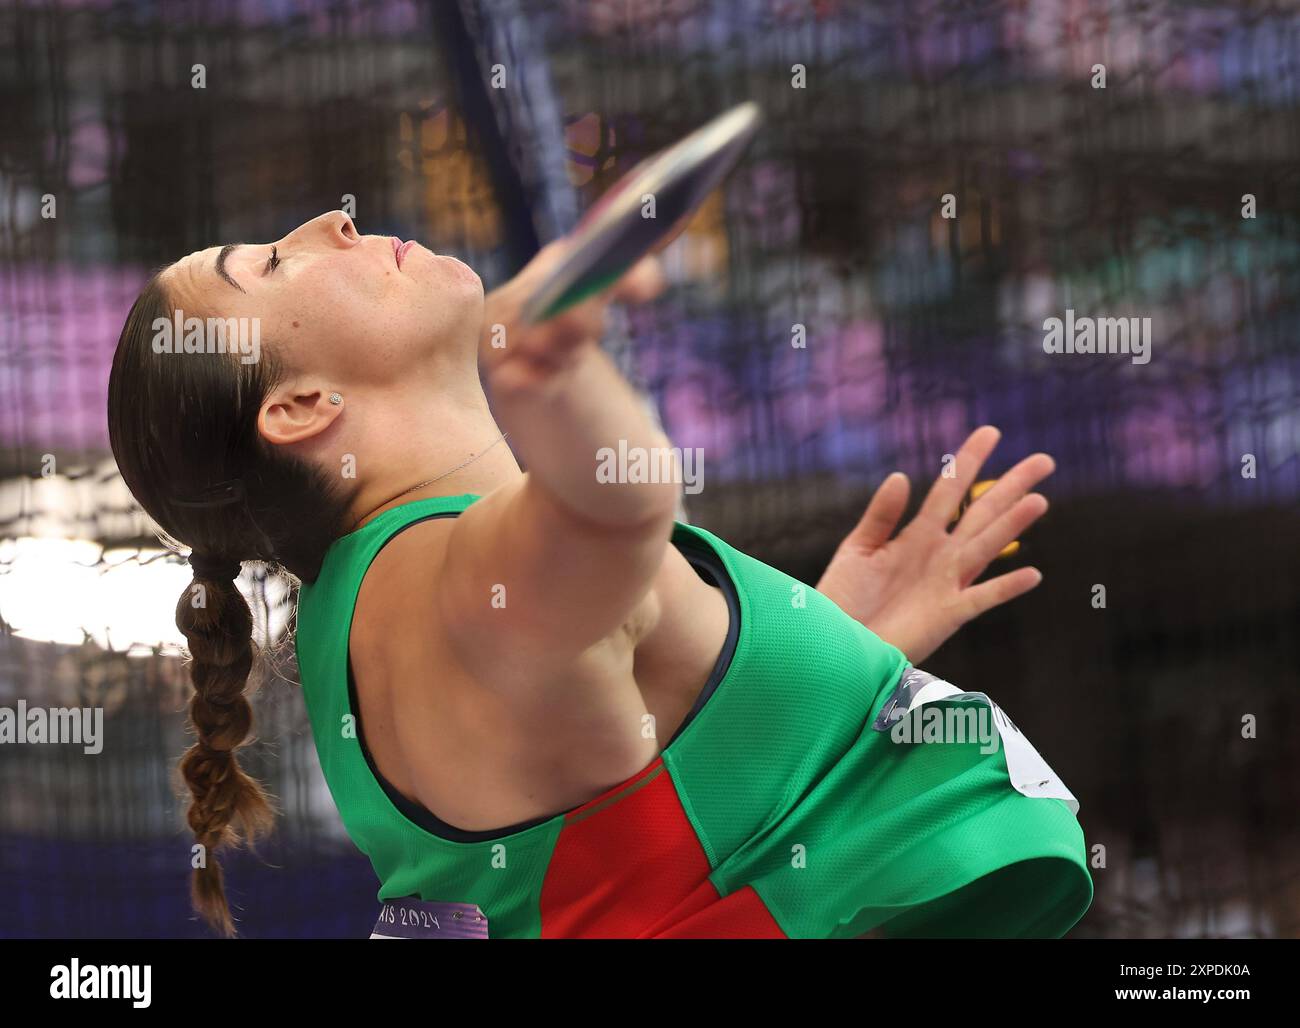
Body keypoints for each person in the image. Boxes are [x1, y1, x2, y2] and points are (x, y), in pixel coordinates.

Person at [107, 210, 1092, 938]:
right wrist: (555, 370)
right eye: (276, 262)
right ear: (302, 404)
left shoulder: (381, 602)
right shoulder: (444, 584)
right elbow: (609, 517)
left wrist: (822, 653)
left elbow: (629, 830)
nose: (334, 220)